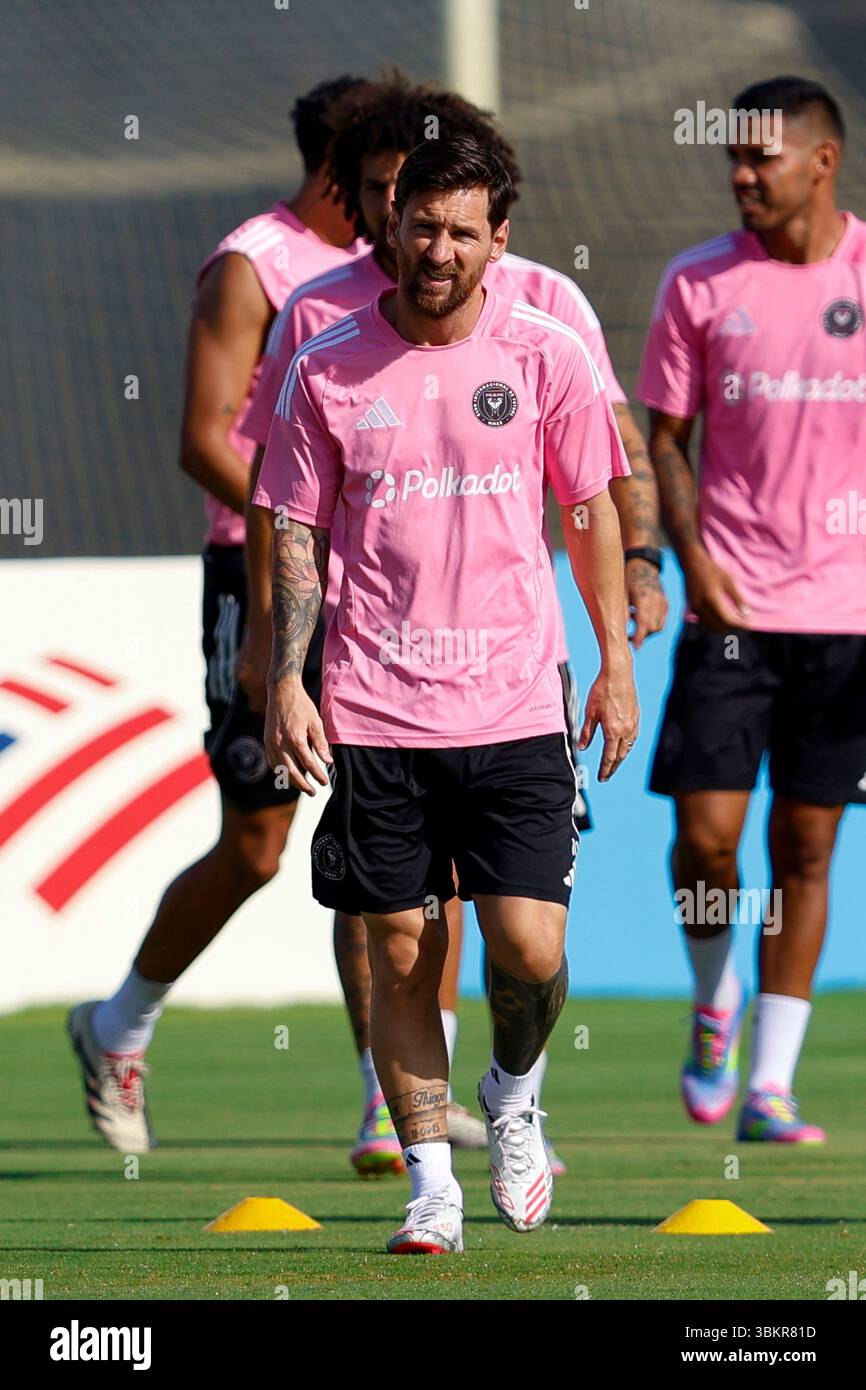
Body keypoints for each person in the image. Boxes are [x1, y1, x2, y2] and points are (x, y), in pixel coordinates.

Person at [239, 73, 667, 1174]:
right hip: (374, 699)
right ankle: (427, 1184)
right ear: (387, 218)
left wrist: (616, 651)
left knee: (524, 947)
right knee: (399, 945)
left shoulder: (547, 338)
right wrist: (284, 672)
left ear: (497, 237)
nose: (436, 246)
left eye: (459, 229)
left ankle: (513, 1094)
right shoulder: (318, 347)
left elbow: (587, 505)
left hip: (514, 693)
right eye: (415, 220)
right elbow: (290, 523)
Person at [67, 76, 368, 1154]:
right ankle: (116, 1025)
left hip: (377, 575)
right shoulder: (254, 265)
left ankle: (397, 1098)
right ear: (339, 174)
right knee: (254, 842)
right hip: (259, 576)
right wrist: (292, 544)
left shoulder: (399, 270)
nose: (403, 199)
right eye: (382, 178)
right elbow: (203, 434)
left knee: (391, 832)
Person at [637, 77, 866, 1143]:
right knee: (706, 841)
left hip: (845, 613)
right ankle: (709, 993)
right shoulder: (695, 283)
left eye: (757, 158)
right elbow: (665, 441)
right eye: (729, 158)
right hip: (728, 605)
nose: (738, 175)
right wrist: (689, 557)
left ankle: (769, 1085)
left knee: (807, 845)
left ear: (820, 162)